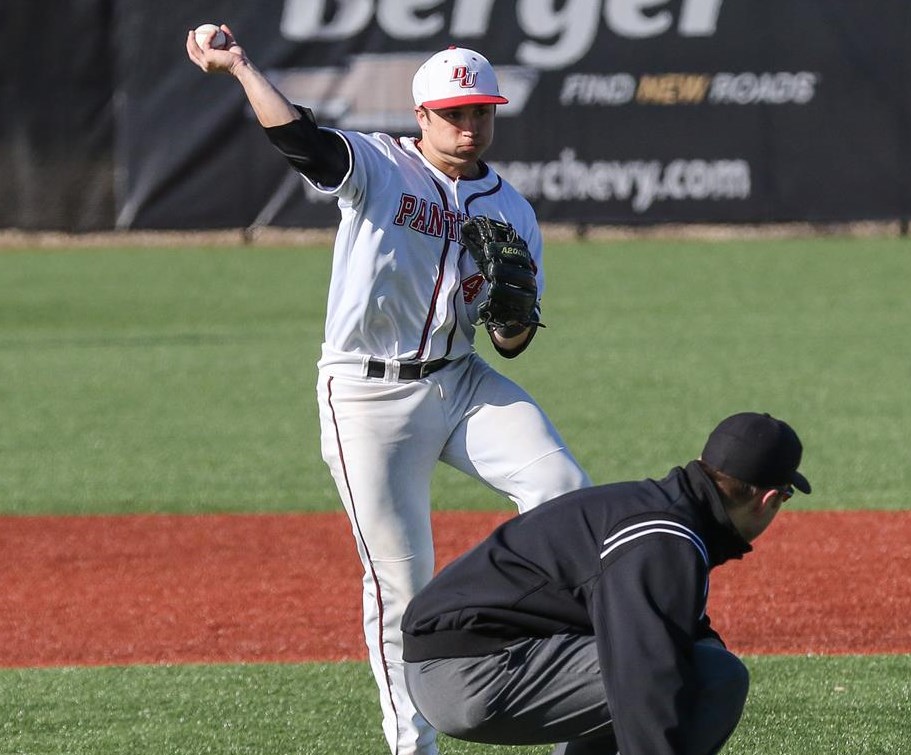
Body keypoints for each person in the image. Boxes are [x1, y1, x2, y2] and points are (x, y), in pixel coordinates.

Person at [186, 26, 592, 755]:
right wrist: (241, 68)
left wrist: (511, 310)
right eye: (455, 113)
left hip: (459, 379)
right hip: (366, 396)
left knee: (565, 491)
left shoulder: (514, 210)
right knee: (401, 586)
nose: (470, 127)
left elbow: (511, 343)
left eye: (481, 113)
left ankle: (549, 668)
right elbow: (303, 143)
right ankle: (414, 746)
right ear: (422, 116)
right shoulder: (379, 167)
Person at [401, 412, 811, 754]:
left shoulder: (659, 513)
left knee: (689, 653)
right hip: (468, 671)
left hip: (462, 660)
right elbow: (644, 677)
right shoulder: (664, 537)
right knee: (712, 676)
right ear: (768, 499)